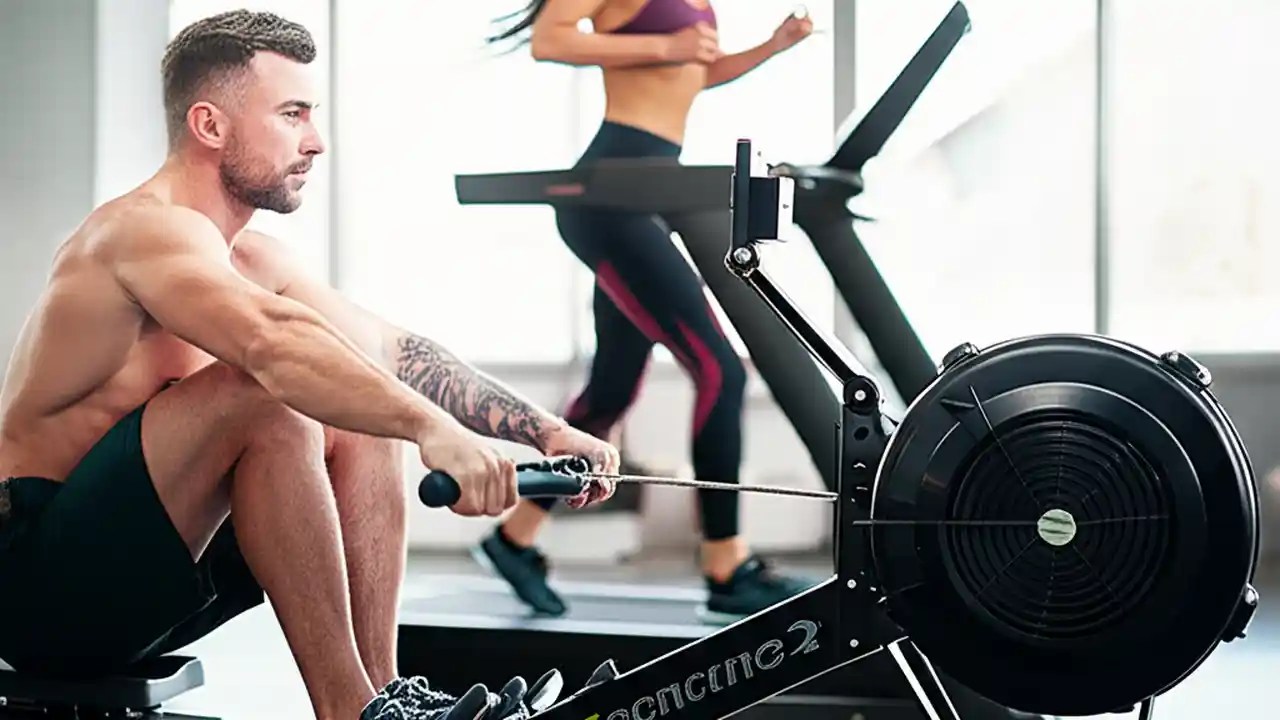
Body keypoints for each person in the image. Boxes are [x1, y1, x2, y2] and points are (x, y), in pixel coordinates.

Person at [0, 10, 618, 720]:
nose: (315, 142)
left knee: (357, 387)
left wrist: (546, 432)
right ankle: (352, 711)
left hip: (145, 579)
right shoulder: (140, 231)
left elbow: (388, 351)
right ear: (210, 125)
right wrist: (433, 431)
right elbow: (272, 343)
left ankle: (387, 697)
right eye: (292, 114)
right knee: (269, 393)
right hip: (37, 591)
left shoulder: (251, 260)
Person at [474, 0, 818, 624]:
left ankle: (513, 539)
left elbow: (696, 75)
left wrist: (772, 46)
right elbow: (551, 41)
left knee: (610, 390)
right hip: (611, 193)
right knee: (721, 370)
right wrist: (665, 49)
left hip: (649, 187)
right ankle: (726, 565)